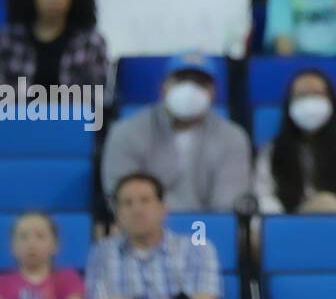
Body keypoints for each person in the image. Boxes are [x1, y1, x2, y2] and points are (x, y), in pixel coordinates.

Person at [100, 53, 251, 211]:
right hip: (145, 232)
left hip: (208, 232)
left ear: (213, 93)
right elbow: (124, 200)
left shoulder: (232, 137)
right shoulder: (126, 133)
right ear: (162, 87)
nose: (190, 90)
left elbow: (228, 205)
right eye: (181, 80)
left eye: (200, 83)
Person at [85, 173, 222, 299]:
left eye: (145, 200)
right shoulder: (102, 253)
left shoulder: (197, 249)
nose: (137, 210)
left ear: (163, 208)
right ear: (118, 214)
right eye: (127, 203)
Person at [254, 67, 336, 214]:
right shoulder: (271, 152)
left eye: (317, 94)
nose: (310, 103)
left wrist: (333, 214)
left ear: (331, 103)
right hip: (287, 232)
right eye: (302, 95)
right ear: (289, 106)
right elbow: (263, 198)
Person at [0, 0, 109, 90]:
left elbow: (96, 98)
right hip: (17, 111)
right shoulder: (8, 41)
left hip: (73, 110)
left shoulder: (90, 43)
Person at [0, 212, 87, 299]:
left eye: (40, 236)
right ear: (12, 246)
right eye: (23, 237)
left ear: (55, 245)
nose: (31, 244)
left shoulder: (68, 280)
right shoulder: (2, 284)